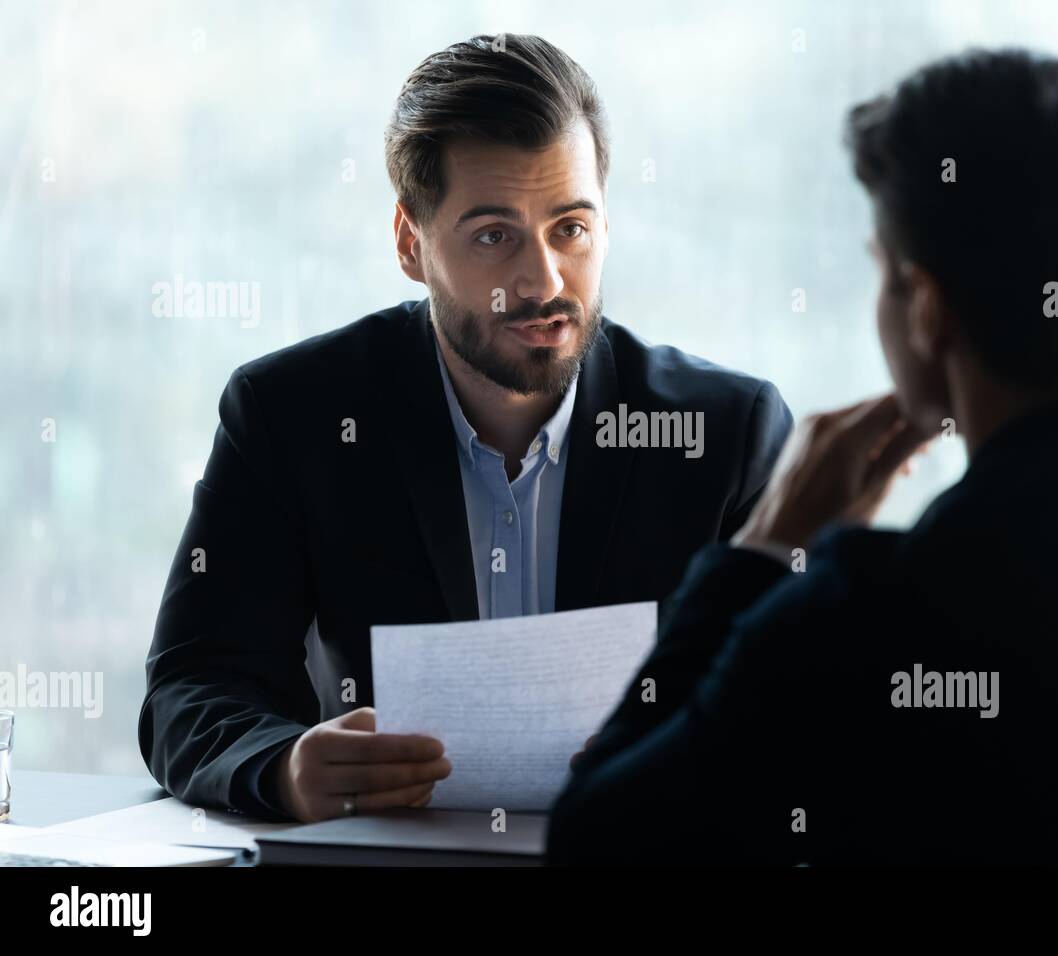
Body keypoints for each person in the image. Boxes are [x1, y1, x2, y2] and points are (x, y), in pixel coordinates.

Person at [547, 49, 1058, 865]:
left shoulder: (864, 615)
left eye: (882, 274)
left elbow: (597, 845)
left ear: (927, 310)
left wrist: (764, 550)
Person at [138, 34, 791, 824]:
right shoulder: (292, 415)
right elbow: (193, 687)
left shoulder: (723, 435)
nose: (542, 279)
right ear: (412, 245)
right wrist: (283, 768)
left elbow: (811, 703)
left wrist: (694, 760)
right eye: (493, 235)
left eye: (570, 228)